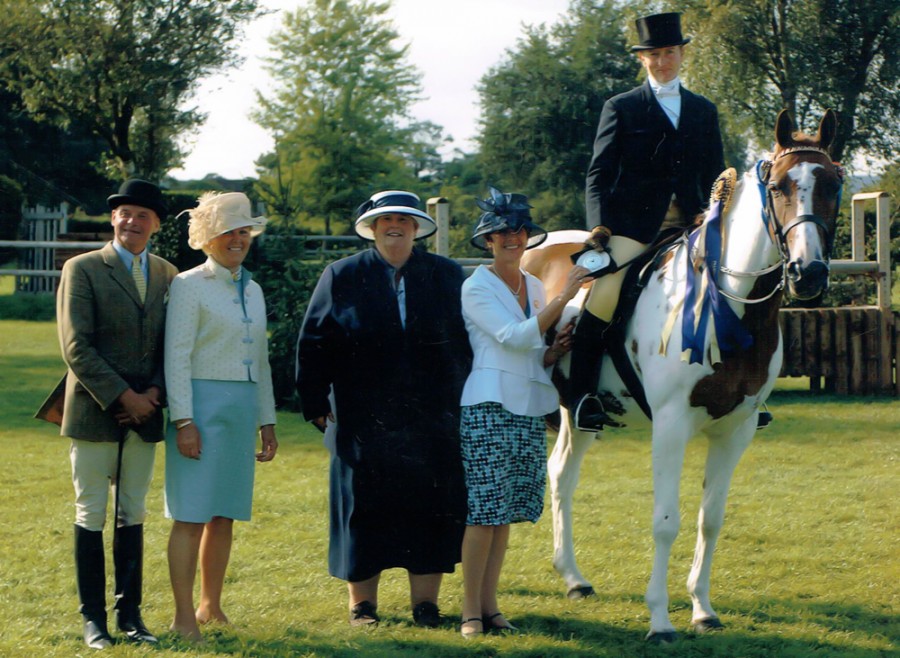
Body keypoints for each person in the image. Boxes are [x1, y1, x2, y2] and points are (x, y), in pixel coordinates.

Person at [295, 190, 471, 628]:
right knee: (362, 508)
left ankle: (426, 605)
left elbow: (468, 340)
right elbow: (314, 340)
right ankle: (362, 606)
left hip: (432, 416)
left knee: (430, 506)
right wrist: (314, 400)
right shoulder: (342, 274)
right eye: (386, 219)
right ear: (372, 228)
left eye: (404, 220)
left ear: (417, 228)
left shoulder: (447, 274)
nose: (395, 226)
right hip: (362, 415)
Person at [568, 11, 726, 431]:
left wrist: (714, 213)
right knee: (604, 295)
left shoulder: (703, 110)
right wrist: (599, 226)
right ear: (642, 59)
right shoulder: (621, 107)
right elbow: (599, 175)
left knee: (735, 287)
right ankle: (583, 396)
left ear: (682, 55)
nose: (662, 61)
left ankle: (744, 392)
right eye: (653, 55)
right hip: (634, 228)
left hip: (691, 225)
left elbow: (716, 173)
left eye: (669, 52)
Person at [41, 179, 177, 649]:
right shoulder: (81, 268)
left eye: (143, 215)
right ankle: (93, 620)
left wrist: (154, 393)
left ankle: (131, 617)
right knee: (91, 511)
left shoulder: (168, 273)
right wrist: (124, 397)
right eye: (125, 213)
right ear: (113, 218)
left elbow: (173, 342)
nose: (132, 222)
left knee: (132, 511)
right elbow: (75, 346)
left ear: (156, 224)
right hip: (94, 410)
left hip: (147, 412)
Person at [458, 188, 588, 638]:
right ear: (487, 241)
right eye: (501, 233)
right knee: (483, 516)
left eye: (519, 230)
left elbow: (530, 351)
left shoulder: (533, 286)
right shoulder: (475, 286)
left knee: (505, 515)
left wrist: (553, 352)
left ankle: (490, 607)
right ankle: (470, 612)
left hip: (527, 407)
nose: (512, 238)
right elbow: (512, 337)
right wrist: (566, 294)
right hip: (487, 405)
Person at [163, 192, 278, 641]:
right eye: (229, 230)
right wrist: (183, 421)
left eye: (244, 230)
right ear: (208, 237)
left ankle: (210, 605)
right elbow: (176, 355)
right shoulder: (188, 284)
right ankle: (182, 617)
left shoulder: (253, 288)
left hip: (240, 411)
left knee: (224, 513)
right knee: (191, 514)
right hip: (200, 410)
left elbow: (261, 360)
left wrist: (266, 421)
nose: (238, 239)